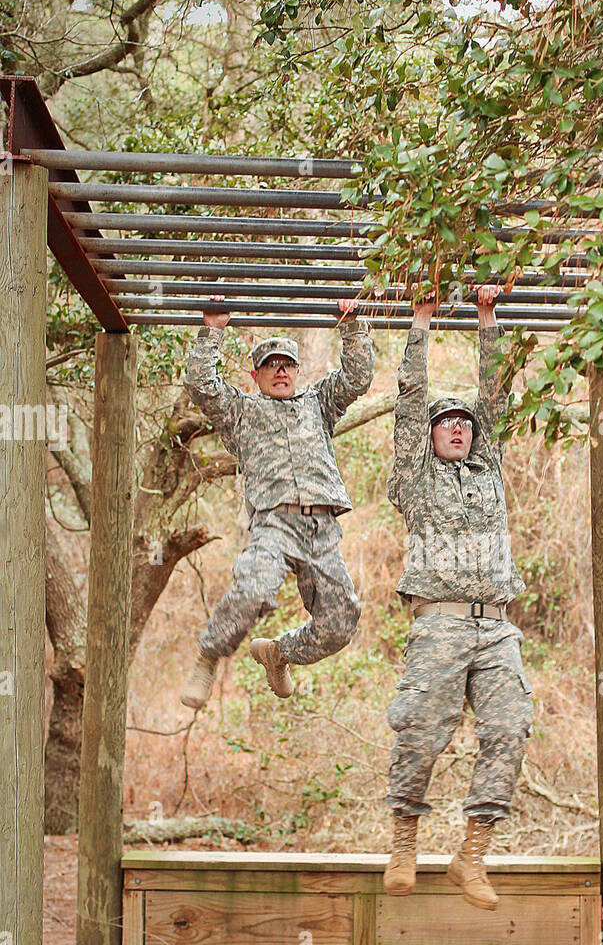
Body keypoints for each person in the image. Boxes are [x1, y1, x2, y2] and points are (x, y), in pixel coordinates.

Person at [383, 285, 534, 909]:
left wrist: (487, 317)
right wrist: (420, 326)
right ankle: (403, 843)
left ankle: (471, 853)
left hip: (497, 628)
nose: (457, 428)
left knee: (510, 726)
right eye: (446, 423)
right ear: (431, 436)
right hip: (440, 625)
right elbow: (410, 405)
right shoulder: (415, 478)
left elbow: (492, 396)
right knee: (422, 729)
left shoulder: (489, 467)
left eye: (463, 424)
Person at [180, 296, 374, 709]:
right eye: (271, 365)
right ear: (256, 374)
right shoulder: (241, 410)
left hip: (322, 529)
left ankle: (278, 654)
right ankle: (209, 655)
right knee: (253, 590)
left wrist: (351, 324)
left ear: (298, 371)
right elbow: (201, 384)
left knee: (341, 623)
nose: (281, 370)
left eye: (287, 364)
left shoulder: (318, 404)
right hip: (275, 524)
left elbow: (357, 378)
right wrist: (212, 330)